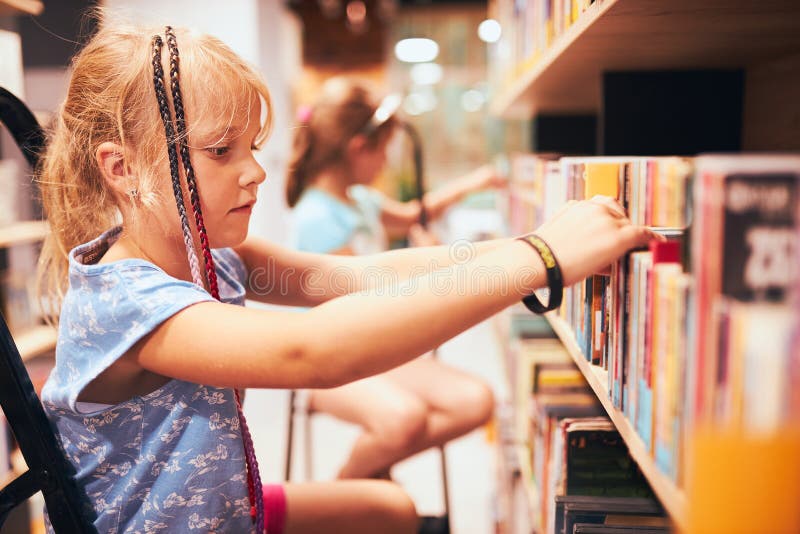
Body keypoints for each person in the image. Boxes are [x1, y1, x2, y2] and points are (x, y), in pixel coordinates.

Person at [37, 15, 660, 534]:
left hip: (230, 512)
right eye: (222, 151)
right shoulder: (127, 300)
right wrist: (540, 262)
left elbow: (359, 277)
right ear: (122, 168)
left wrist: (520, 248)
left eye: (253, 146)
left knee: (391, 510)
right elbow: (312, 351)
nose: (255, 172)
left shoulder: (213, 257)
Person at [286, 77, 499, 480]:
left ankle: (370, 480)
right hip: (331, 360)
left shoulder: (359, 199)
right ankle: (343, 499)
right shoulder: (318, 217)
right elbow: (359, 301)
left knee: (476, 402)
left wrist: (475, 183)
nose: (386, 163)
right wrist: (432, 263)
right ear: (358, 149)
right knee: (402, 421)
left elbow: (415, 214)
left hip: (376, 349)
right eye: (383, 151)